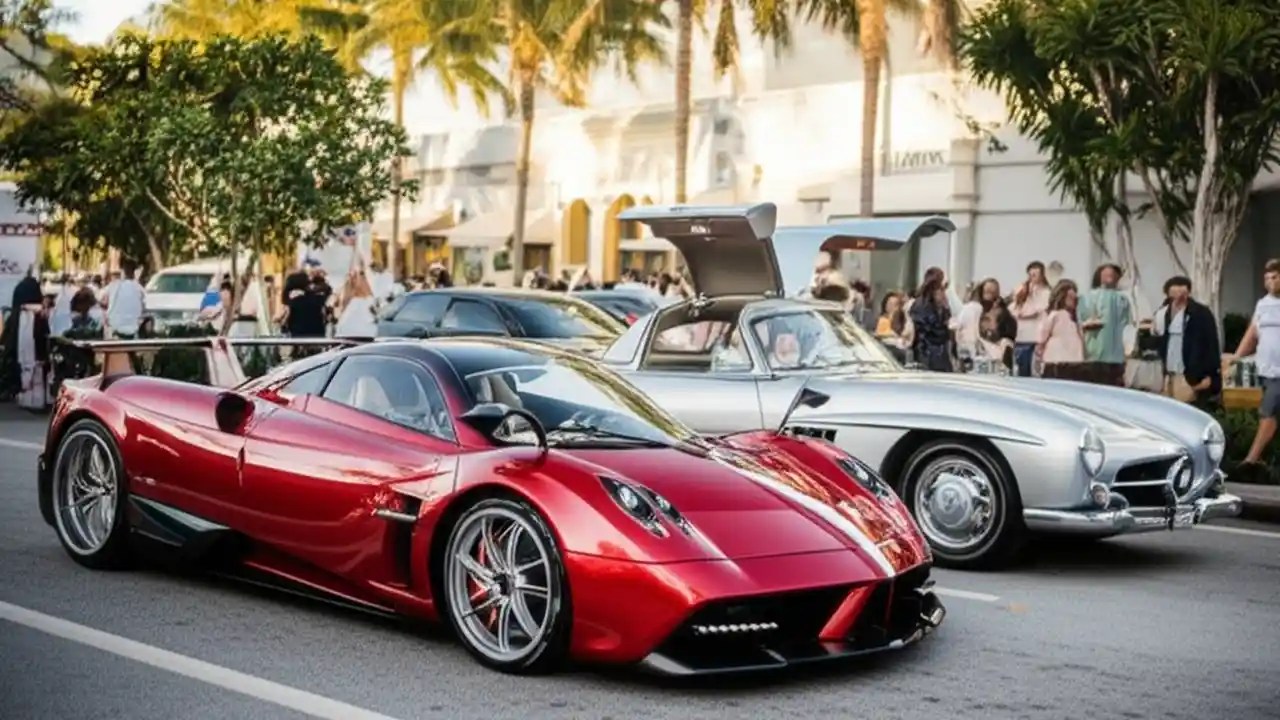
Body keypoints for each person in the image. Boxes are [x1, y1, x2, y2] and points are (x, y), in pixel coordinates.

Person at [1228, 259, 1280, 476]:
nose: (1270, 282)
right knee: (1271, 413)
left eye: (1275, 277)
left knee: (1268, 413)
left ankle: (1250, 460)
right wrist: (1236, 356)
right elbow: (1252, 333)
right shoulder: (1263, 304)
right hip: (1265, 369)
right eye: (1267, 278)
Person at [1152, 276, 1220, 406]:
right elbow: (1158, 339)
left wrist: (1210, 374)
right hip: (1168, 374)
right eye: (1174, 296)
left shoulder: (1200, 313)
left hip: (1189, 375)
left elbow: (1211, 344)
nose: (1178, 299)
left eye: (1181, 294)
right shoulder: (1163, 313)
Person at [1077, 263, 1132, 386]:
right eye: (1106, 273)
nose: (1109, 276)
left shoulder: (1123, 299)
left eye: (1112, 274)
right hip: (1094, 350)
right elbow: (1081, 319)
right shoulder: (1087, 297)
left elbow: (1127, 324)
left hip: (1116, 352)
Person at [4, 275, 50, 410]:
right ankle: (37, 399)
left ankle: (25, 395)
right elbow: (44, 334)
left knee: (25, 367)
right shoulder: (40, 313)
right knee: (37, 370)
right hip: (36, 349)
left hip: (21, 347)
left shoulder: (17, 313)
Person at [1036, 280, 1085, 379]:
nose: (1074, 301)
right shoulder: (1055, 315)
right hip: (1056, 360)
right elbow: (1042, 335)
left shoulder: (1075, 320)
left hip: (1074, 361)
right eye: (1070, 297)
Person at [1010, 261, 1052, 376]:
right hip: (1021, 336)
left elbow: (1037, 311)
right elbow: (1014, 309)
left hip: (1036, 337)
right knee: (1020, 369)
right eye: (1030, 275)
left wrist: (1024, 313)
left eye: (1035, 275)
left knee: (1033, 370)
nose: (1032, 278)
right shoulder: (1022, 291)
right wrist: (1022, 295)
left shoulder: (1046, 292)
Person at [910, 273, 954, 372]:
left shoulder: (941, 307)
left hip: (940, 351)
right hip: (927, 350)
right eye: (941, 290)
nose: (944, 294)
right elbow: (928, 328)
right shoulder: (922, 305)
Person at [102, 261, 146, 339]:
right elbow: (144, 307)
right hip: (134, 330)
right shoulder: (140, 289)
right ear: (134, 272)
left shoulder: (114, 285)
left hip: (115, 330)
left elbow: (101, 299)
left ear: (122, 271)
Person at [335, 271, 378, 339]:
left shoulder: (351, 303)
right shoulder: (361, 302)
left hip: (346, 335)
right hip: (362, 336)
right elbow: (374, 318)